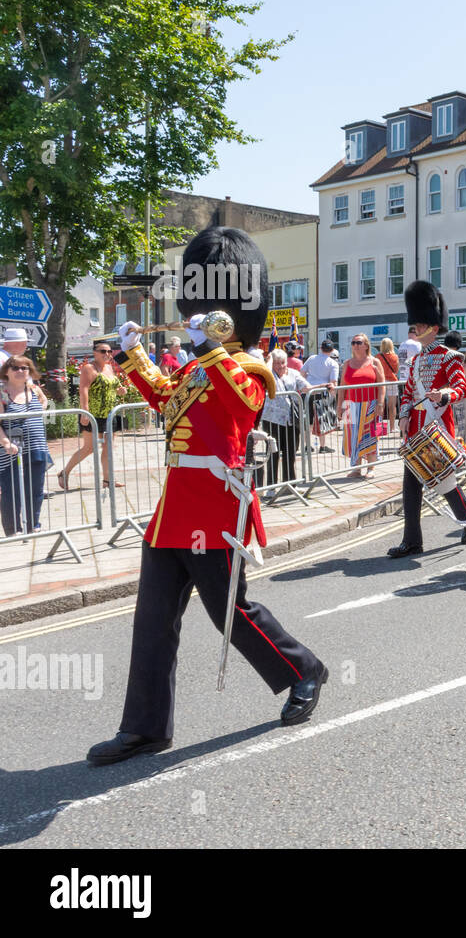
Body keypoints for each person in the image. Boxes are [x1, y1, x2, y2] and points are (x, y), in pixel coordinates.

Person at [87, 225, 327, 766]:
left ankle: (304, 668)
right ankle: (145, 727)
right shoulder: (202, 364)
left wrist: (212, 348)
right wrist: (133, 357)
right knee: (152, 621)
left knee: (230, 612)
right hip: (175, 507)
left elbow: (242, 408)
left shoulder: (249, 366)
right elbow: (166, 402)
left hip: (217, 505)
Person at [387, 281, 466, 557]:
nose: (415, 328)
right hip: (416, 428)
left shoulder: (450, 357)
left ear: (433, 327)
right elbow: (409, 393)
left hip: (438, 425)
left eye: (419, 324)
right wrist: (403, 415)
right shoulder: (416, 361)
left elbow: (461, 387)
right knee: (411, 485)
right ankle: (412, 540)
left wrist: (444, 394)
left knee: (444, 482)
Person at [57, 340, 125, 491]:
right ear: (95, 352)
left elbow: (114, 385)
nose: (107, 354)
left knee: (108, 448)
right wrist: (85, 412)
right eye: (103, 351)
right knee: (89, 448)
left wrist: (120, 389)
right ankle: (64, 472)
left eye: (109, 351)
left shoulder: (109, 367)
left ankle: (107, 480)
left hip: (109, 413)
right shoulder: (89, 368)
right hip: (93, 415)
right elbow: (84, 390)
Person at [0, 356, 51, 535]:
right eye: (15, 368)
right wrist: (5, 442)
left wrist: (41, 411)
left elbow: (46, 403)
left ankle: (33, 525)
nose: (20, 371)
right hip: (11, 450)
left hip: (37, 446)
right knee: (11, 490)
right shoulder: (2, 393)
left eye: (24, 368)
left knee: (36, 489)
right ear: (7, 371)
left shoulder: (34, 389)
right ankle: (13, 529)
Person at [261, 348, 311, 486]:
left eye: (282, 362)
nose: (280, 366)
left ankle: (290, 484)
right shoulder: (269, 373)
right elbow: (265, 371)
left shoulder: (293, 373)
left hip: (290, 419)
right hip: (272, 420)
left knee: (290, 453)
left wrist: (326, 386)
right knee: (273, 453)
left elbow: (307, 387)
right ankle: (272, 486)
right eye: (277, 363)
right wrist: (269, 360)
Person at [338, 334, 383, 478]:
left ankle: (371, 468)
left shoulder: (375, 362)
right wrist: (339, 406)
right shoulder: (346, 363)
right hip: (350, 405)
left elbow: (382, 386)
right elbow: (342, 387)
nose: (355, 345)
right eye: (353, 342)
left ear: (366, 345)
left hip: (371, 404)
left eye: (358, 342)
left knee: (371, 436)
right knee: (352, 437)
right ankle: (356, 468)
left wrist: (381, 404)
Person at [302, 340, 340, 451]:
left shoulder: (311, 358)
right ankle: (322, 446)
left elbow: (302, 373)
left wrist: (307, 385)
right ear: (332, 350)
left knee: (308, 420)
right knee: (323, 420)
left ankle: (307, 446)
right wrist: (334, 397)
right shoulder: (333, 363)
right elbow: (333, 382)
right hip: (323, 392)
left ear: (320, 348)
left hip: (309, 392)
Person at [377, 336, 400, 425]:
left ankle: (380, 428)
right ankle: (392, 427)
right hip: (392, 381)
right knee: (392, 405)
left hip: (381, 382)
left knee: (380, 405)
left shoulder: (377, 357)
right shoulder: (395, 357)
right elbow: (396, 371)